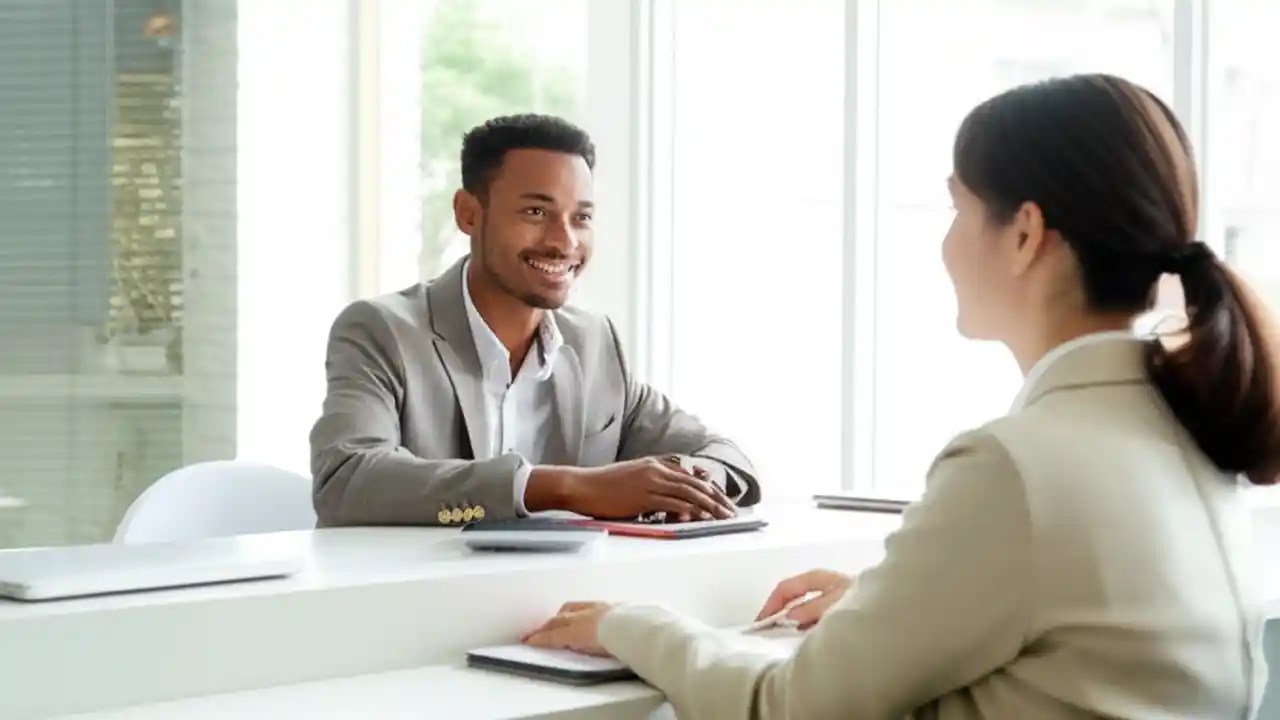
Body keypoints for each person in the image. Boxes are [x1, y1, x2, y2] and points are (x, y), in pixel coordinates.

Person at [522, 75, 1280, 718]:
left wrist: (630, 625)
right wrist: (884, 604)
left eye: (956, 208)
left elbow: (788, 705)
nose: (945, 242)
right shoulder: (1188, 434)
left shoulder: (1015, 465)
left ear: (1024, 234)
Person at [309, 114, 759, 527]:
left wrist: (688, 482)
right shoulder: (381, 330)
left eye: (581, 217)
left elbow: (723, 455)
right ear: (468, 213)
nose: (564, 242)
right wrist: (566, 488)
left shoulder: (594, 343)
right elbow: (346, 481)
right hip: (414, 602)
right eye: (536, 212)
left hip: (556, 603)